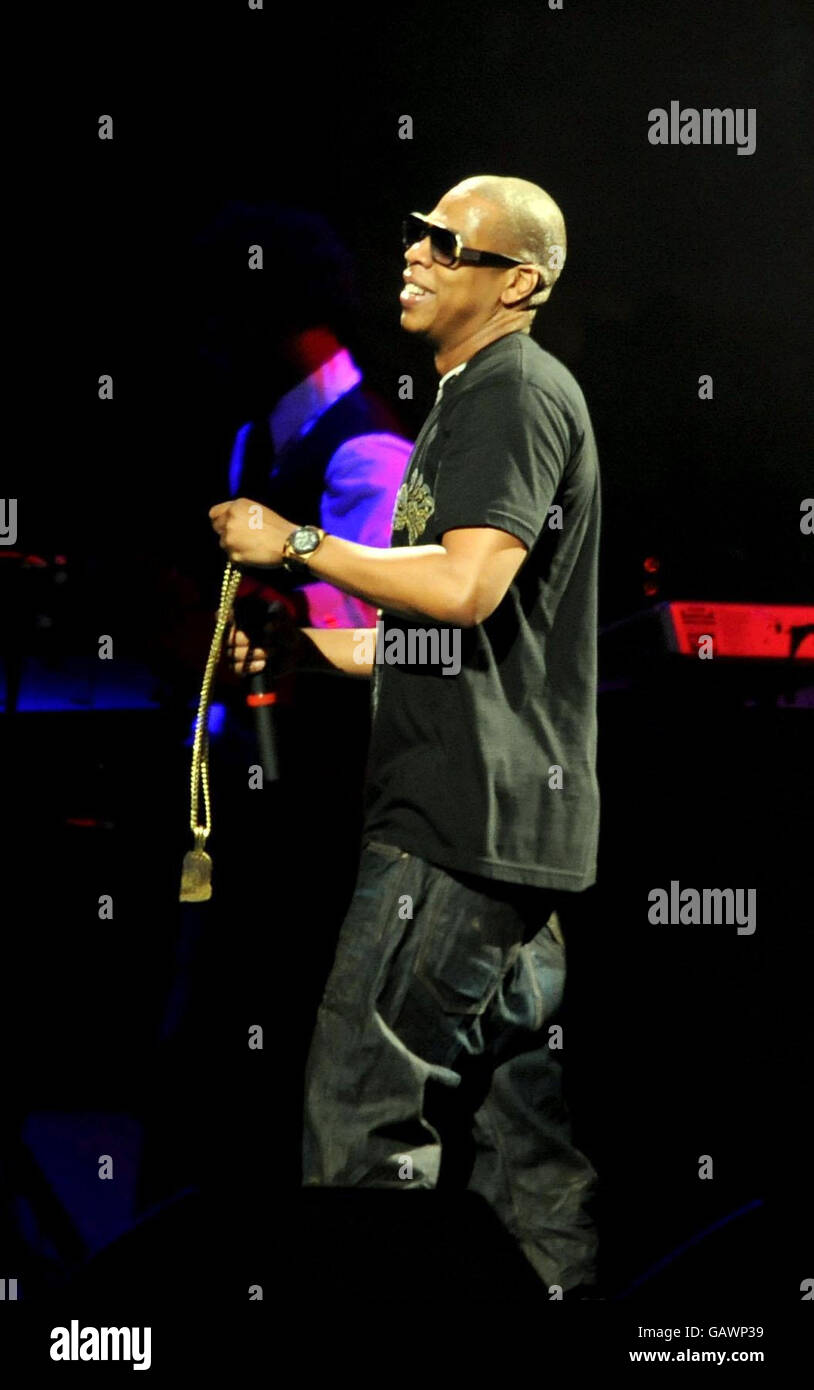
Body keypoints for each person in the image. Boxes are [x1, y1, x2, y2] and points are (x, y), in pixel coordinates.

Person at [210, 175, 602, 1295]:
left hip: (450, 822)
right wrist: (320, 651)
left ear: (519, 281)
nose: (416, 252)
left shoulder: (508, 392)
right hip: (506, 824)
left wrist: (295, 547)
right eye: (417, 234)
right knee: (518, 1144)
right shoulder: (484, 393)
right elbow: (470, 638)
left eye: (449, 243)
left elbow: (469, 589)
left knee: (362, 1118)